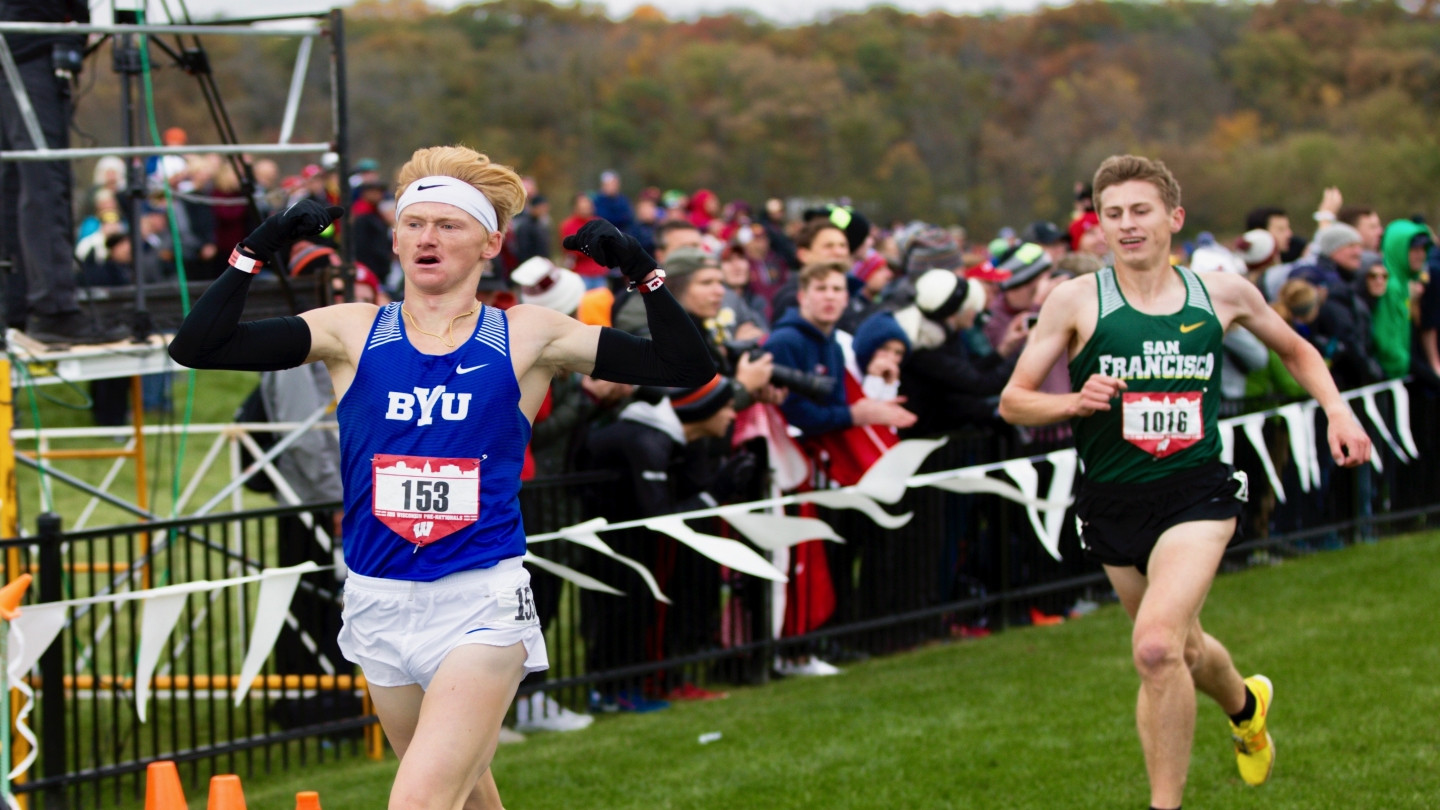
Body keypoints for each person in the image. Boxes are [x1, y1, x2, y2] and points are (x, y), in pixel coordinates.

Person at [168, 145, 714, 810]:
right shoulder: (352, 329)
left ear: (491, 243)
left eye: (449, 224)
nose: (428, 238)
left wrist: (642, 272)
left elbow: (685, 365)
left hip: (479, 602)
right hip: (377, 597)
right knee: (468, 801)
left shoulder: (527, 334)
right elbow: (198, 346)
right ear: (395, 239)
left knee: (419, 802)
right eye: (414, 223)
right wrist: (257, 248)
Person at [999, 155, 1372, 810]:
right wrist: (1074, 402)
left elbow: (1296, 349)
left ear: (1174, 217)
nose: (1126, 224)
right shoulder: (1075, 299)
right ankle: (1246, 707)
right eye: (1113, 213)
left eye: (1140, 210)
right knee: (1186, 649)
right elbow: (1013, 402)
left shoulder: (1220, 293)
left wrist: (1338, 411)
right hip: (1113, 501)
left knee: (1153, 649)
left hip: (1196, 493)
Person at [0, 0, 124, 342]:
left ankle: (18, 308)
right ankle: (52, 309)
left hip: (18, 48)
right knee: (44, 181)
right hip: (30, 47)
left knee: (17, 183)